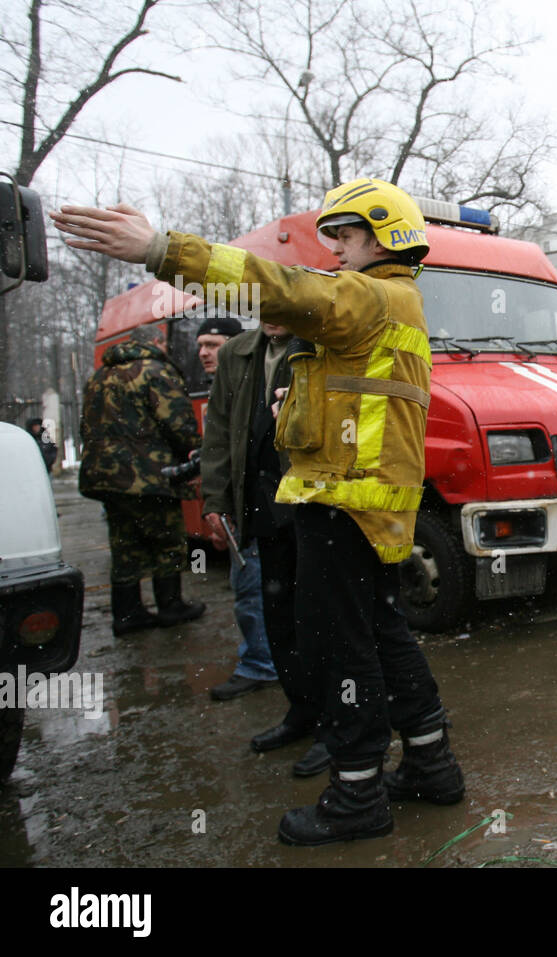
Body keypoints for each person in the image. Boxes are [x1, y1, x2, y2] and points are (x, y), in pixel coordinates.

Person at [53, 177, 464, 846]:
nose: (336, 253)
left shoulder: (370, 293)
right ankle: (429, 761)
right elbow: (362, 399)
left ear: (384, 238)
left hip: (341, 503)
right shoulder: (398, 303)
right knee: (385, 635)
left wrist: (160, 247)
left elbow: (278, 289)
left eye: (347, 237)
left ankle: (357, 790)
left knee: (342, 648)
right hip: (369, 504)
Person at [200, 312, 333, 776]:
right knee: (277, 617)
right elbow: (217, 430)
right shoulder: (238, 352)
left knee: (321, 618)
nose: (274, 315)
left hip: (311, 505)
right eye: (265, 305)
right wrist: (216, 500)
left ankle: (336, 727)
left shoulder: (319, 343)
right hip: (260, 505)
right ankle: (301, 710)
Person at [78, 322, 206, 636]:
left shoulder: (99, 376)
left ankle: (127, 613)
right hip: (147, 475)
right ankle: (171, 606)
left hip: (106, 477)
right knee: (166, 541)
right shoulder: (154, 371)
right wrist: (196, 452)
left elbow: (87, 426)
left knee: (124, 545)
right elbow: (177, 421)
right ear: (157, 342)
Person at [190, 312, 280, 703]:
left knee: (269, 591)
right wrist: (215, 501)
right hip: (250, 503)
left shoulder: (296, 352)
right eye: (200, 348)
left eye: (211, 344)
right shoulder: (236, 366)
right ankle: (263, 662)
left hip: (284, 503)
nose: (204, 354)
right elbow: (219, 441)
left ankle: (270, 666)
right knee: (249, 586)